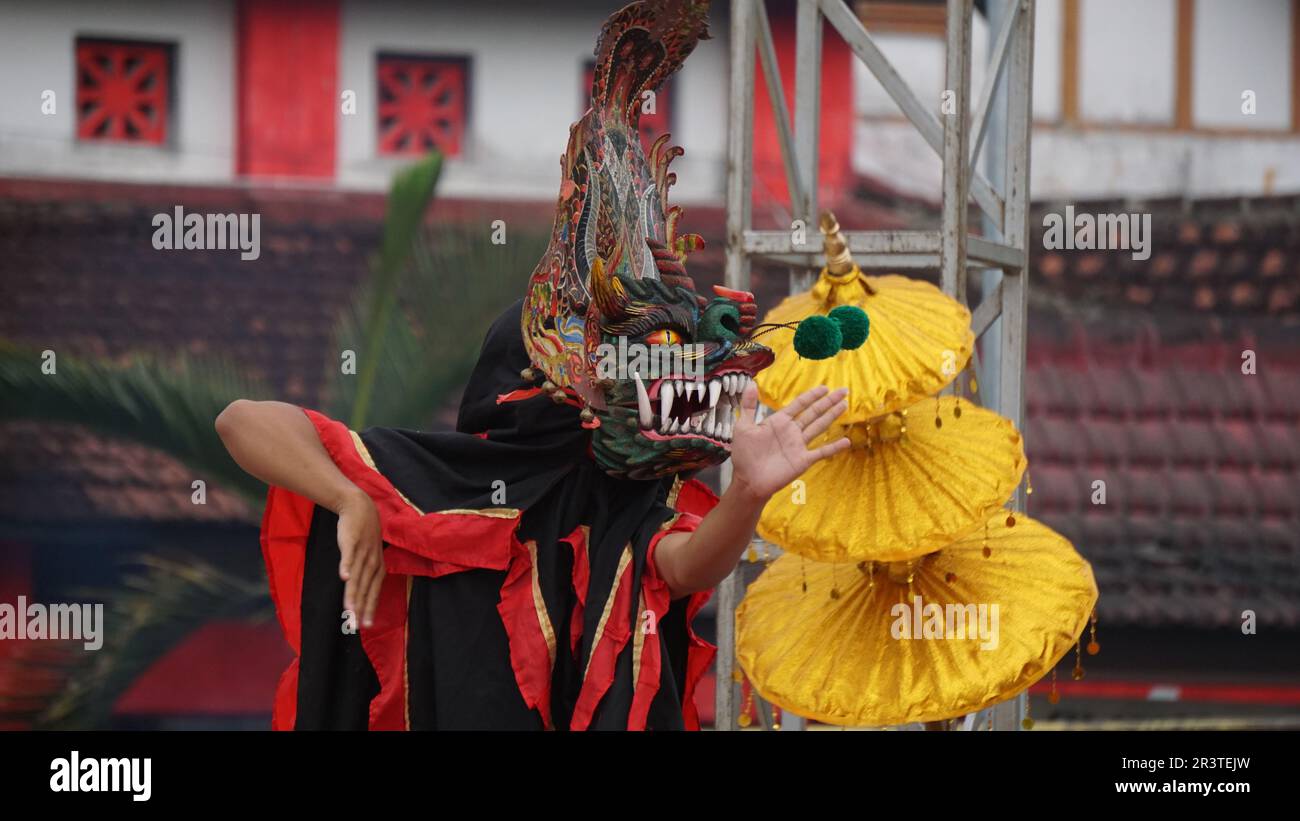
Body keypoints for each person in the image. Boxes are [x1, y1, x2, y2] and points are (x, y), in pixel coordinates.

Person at [215, 0, 849, 730]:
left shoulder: (623, 509)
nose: (658, 387)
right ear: (527, 384)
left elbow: (683, 567)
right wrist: (351, 497)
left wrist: (747, 495)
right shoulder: (426, 477)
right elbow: (243, 420)